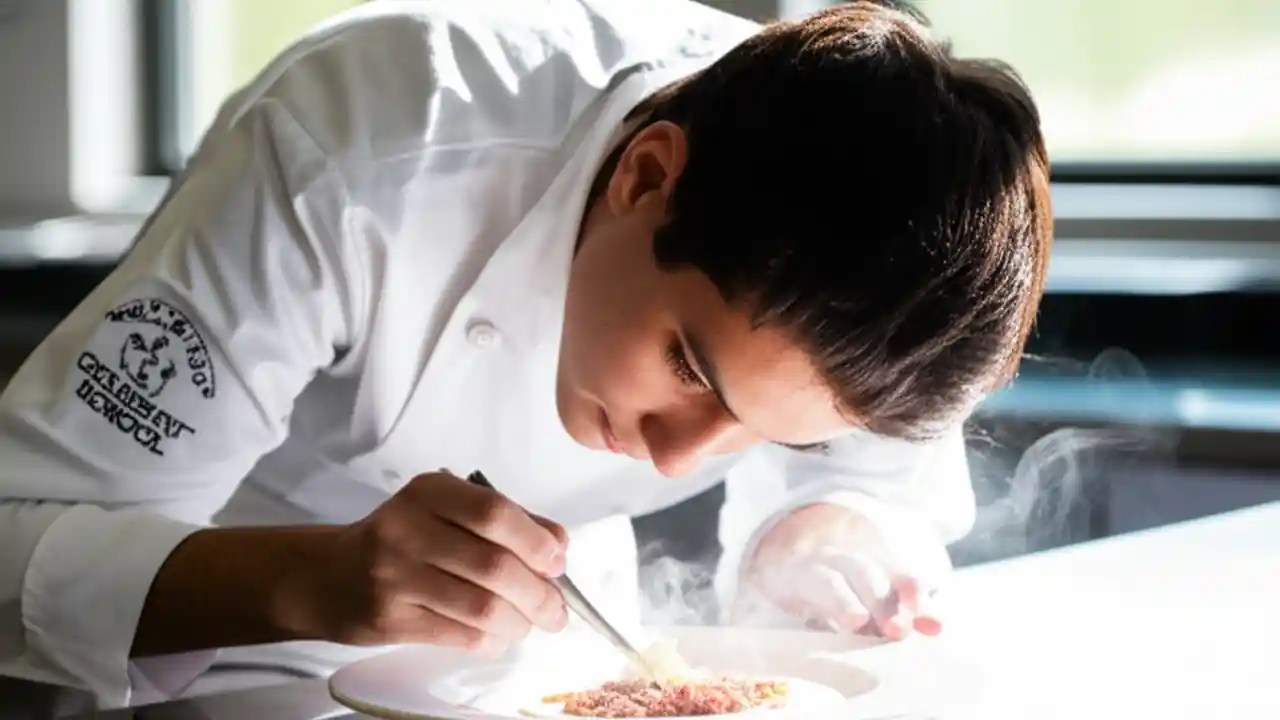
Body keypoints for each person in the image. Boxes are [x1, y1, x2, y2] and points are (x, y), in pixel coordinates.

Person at [0, 0, 1052, 708]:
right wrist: (307, 580)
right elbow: (16, 533)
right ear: (645, 175)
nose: (679, 461)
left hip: (537, 678)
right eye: (688, 366)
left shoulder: (900, 262)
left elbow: (884, 500)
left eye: (765, 433)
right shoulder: (354, 149)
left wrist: (827, 530)